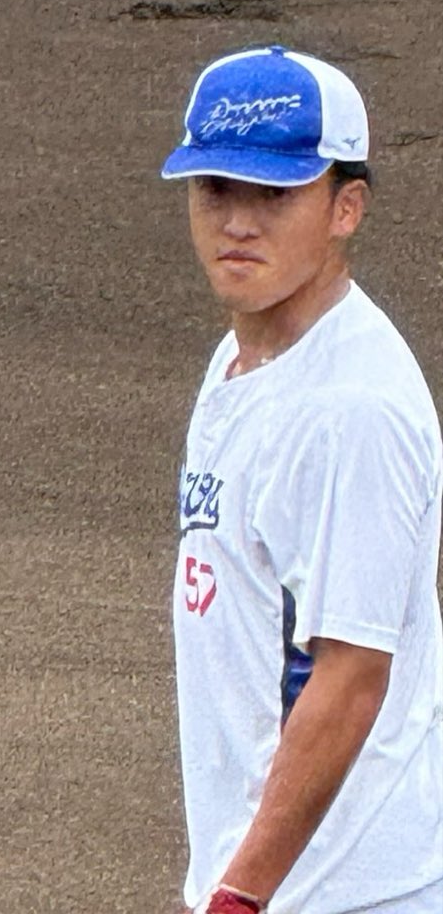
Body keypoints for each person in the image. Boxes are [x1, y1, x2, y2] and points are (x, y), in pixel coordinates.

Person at [162, 46, 442, 914]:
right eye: (216, 190)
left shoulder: (348, 409)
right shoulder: (242, 354)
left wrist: (238, 895)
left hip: (340, 891)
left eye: (273, 195)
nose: (237, 224)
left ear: (344, 208)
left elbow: (351, 676)